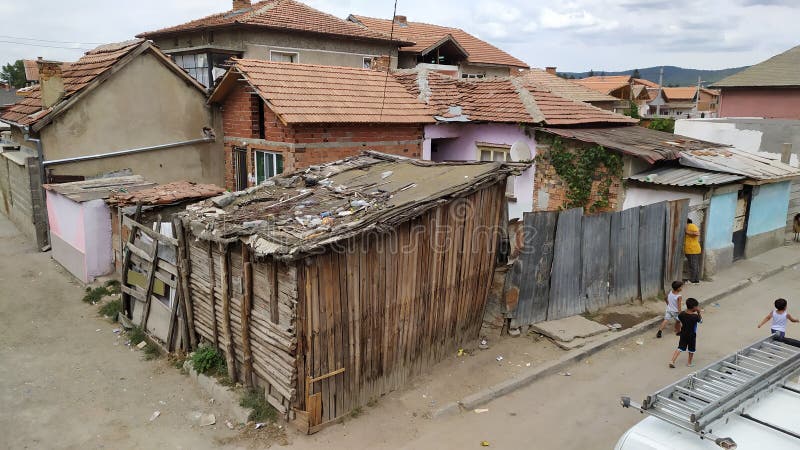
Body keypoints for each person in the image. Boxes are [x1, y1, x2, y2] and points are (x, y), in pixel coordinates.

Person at [669, 298, 702, 368]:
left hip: (683, 333)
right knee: (691, 349)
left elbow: (677, 321)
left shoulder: (682, 314)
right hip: (692, 335)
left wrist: (677, 330)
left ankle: (672, 361)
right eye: (697, 306)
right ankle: (689, 363)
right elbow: (701, 321)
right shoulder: (695, 316)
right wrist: (699, 312)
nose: (697, 308)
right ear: (694, 307)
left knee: (680, 347)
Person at [685, 219, 702, 284]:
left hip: (692, 250)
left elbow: (697, 233)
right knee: (695, 265)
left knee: (693, 265)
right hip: (693, 249)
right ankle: (696, 280)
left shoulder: (691, 225)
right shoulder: (689, 226)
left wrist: (687, 232)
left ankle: (692, 280)